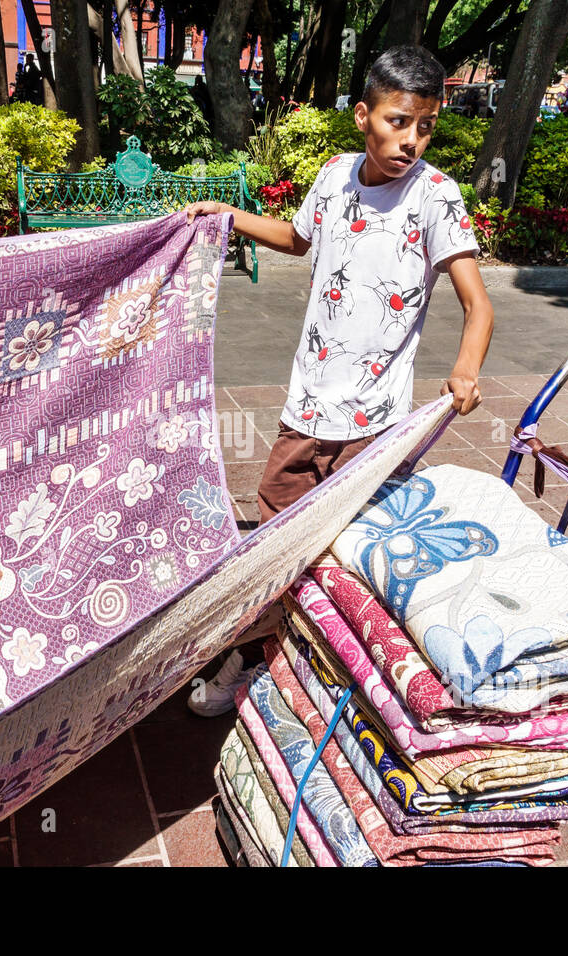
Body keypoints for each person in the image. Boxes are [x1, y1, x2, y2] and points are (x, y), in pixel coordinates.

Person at [181, 45, 494, 715]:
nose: (411, 140)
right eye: (398, 121)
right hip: (306, 406)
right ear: (363, 116)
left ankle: (325, 669)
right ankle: (258, 652)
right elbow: (298, 241)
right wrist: (226, 216)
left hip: (373, 425)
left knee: (348, 555)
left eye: (426, 126)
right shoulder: (332, 178)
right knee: (273, 542)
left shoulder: (435, 197)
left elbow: (479, 304)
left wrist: (465, 371)